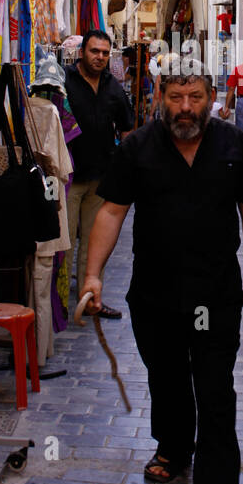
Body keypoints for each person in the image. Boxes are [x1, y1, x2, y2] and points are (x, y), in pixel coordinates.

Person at [81, 60, 243, 484]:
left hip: (216, 292)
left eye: (195, 98)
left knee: (215, 387)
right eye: (176, 98)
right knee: (166, 376)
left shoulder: (232, 145)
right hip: (155, 292)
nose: (185, 108)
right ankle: (172, 446)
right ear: (161, 97)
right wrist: (93, 274)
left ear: (211, 98)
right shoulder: (138, 148)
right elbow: (111, 212)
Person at [63, 28, 135, 320]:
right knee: (64, 244)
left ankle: (90, 299)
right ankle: (57, 306)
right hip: (68, 178)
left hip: (99, 177)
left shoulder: (112, 86)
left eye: (105, 53)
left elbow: (127, 127)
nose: (100, 57)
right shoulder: (64, 81)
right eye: (95, 51)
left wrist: (123, 165)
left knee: (94, 246)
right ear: (82, 52)